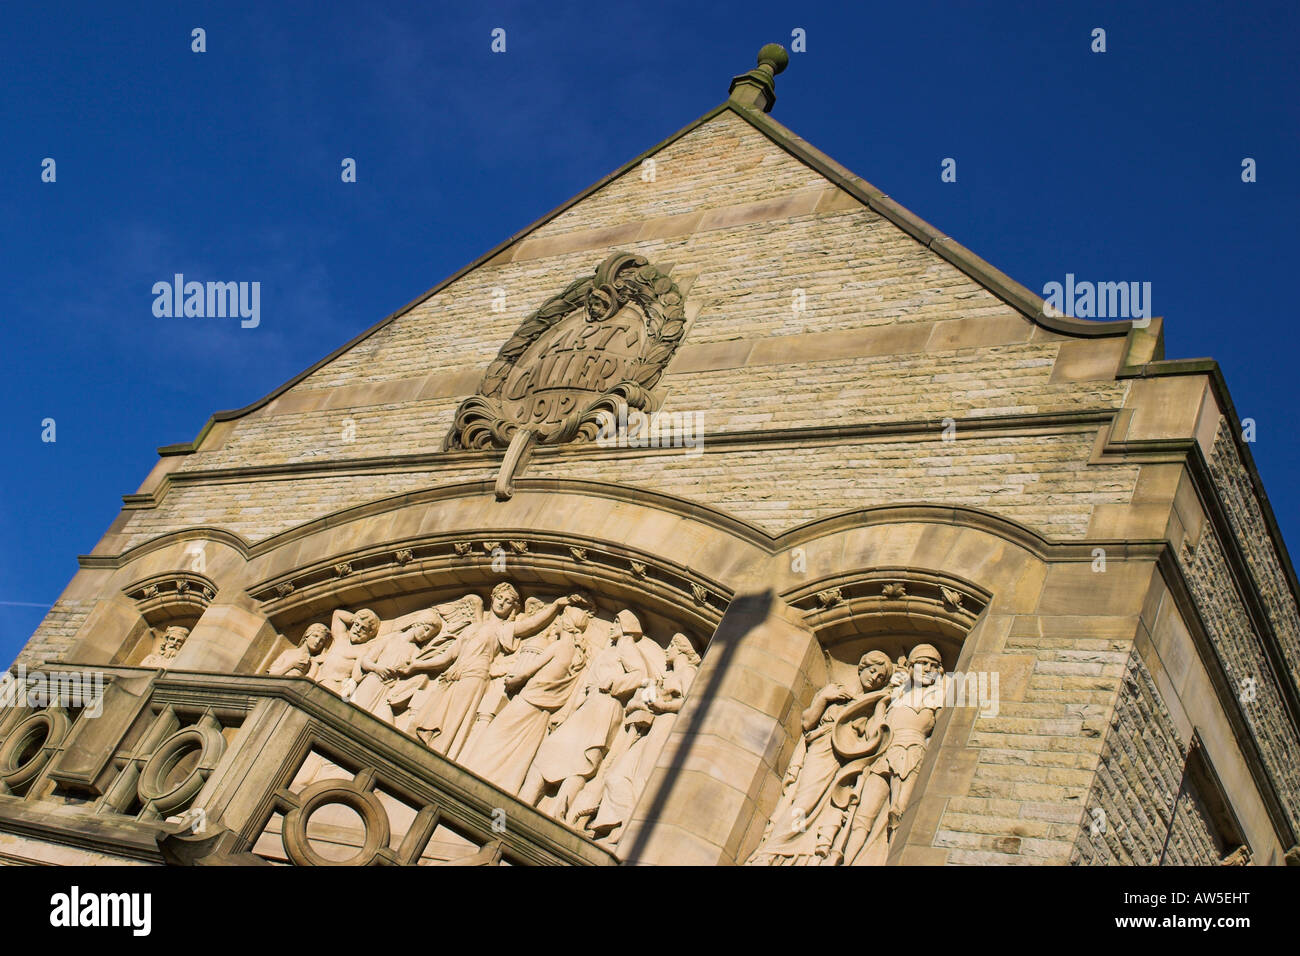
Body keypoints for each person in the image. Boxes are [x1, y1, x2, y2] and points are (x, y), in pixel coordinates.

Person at [745, 650, 895, 866]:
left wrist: (881, 707)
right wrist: (825, 697)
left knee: (822, 806)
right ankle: (772, 850)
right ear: (862, 668)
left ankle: (798, 854)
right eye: (872, 671)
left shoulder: (870, 704)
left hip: (841, 759)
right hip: (820, 749)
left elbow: (873, 738)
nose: (874, 678)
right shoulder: (834, 691)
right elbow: (807, 723)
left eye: (880, 677)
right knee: (804, 801)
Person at [409, 584, 570, 760]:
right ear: (492, 598)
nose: (502, 603)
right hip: (450, 677)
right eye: (500, 598)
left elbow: (531, 624)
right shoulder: (472, 627)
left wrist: (555, 606)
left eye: (508, 601)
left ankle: (439, 755)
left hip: (474, 677)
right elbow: (446, 657)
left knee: (452, 721)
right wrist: (416, 665)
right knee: (428, 718)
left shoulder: (504, 629)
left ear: (514, 607)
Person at [459, 594, 594, 794]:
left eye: (559, 620)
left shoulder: (557, 646)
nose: (554, 625)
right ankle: (503, 787)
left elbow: (527, 672)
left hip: (526, 702)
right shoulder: (578, 656)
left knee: (493, 739)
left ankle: (470, 779)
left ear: (565, 623)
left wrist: (512, 680)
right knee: (521, 752)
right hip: (542, 713)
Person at [527, 608, 648, 819]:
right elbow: (585, 686)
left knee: (583, 760)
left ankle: (557, 814)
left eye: (615, 622)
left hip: (606, 706)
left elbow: (641, 675)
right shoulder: (610, 650)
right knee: (552, 748)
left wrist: (614, 683)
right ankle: (526, 802)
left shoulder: (627, 648)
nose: (611, 626)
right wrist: (566, 714)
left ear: (624, 626)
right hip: (590, 704)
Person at [840, 643, 946, 866]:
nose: (928, 669)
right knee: (862, 815)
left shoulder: (939, 697)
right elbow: (874, 732)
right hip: (883, 755)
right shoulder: (894, 695)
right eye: (922, 664)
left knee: (898, 812)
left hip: (912, 752)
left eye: (933, 665)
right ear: (910, 667)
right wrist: (882, 704)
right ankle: (846, 861)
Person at [266, 622, 330, 678]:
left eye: (322, 640)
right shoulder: (288, 653)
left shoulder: (314, 661)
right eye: (315, 636)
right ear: (307, 636)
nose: (317, 641)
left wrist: (314, 665)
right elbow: (272, 675)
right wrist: (292, 665)